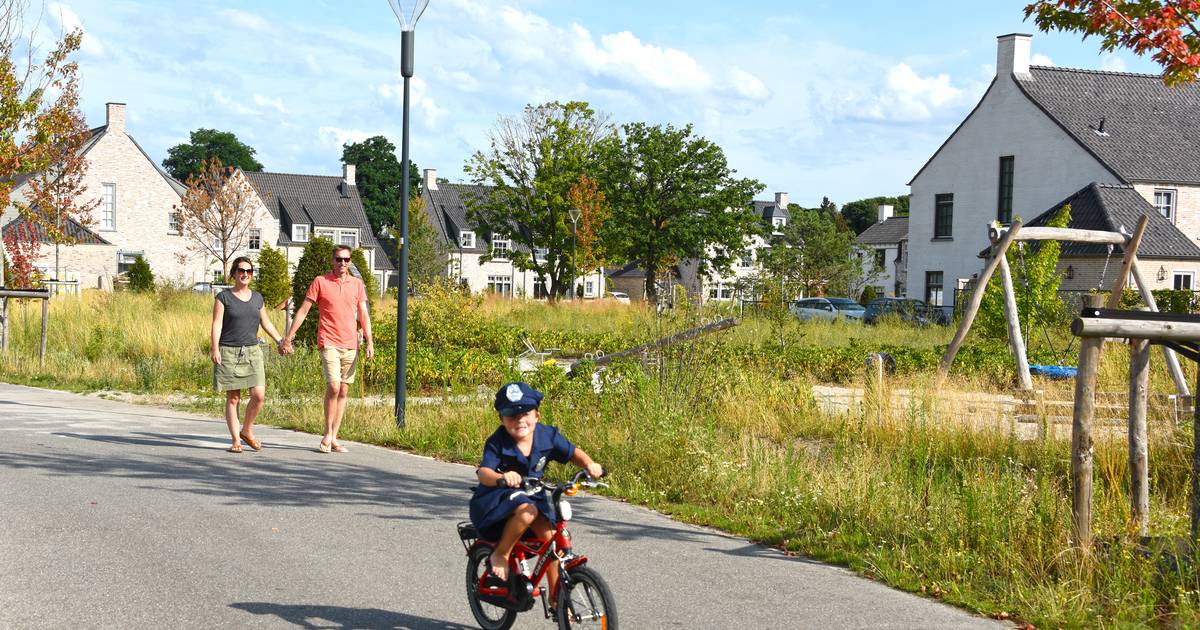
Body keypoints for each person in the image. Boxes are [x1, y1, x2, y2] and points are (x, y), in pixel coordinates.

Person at [469, 382, 604, 596]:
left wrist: (589, 464)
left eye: (525, 413)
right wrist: (501, 477)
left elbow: (572, 452)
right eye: (511, 415)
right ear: (502, 420)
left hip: (534, 496)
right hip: (496, 501)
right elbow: (483, 472)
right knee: (528, 510)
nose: (519, 420)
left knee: (551, 539)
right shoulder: (497, 442)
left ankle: (556, 598)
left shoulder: (547, 436)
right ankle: (501, 554)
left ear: (537, 416)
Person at [281, 244, 374, 453]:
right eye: (339, 259)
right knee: (333, 386)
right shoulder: (320, 282)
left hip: (350, 344)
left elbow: (364, 314)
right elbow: (303, 310)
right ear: (332, 261)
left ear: (350, 262)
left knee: (343, 390)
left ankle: (333, 437)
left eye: (346, 260)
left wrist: (369, 341)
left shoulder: (357, 285)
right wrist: (289, 336)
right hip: (328, 340)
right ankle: (326, 433)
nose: (342, 263)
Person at [210, 256, 286, 453]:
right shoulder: (223, 298)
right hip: (229, 351)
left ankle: (247, 430)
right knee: (233, 398)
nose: (245, 274)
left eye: (249, 271)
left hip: (252, 351)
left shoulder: (257, 298)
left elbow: (266, 323)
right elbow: (217, 324)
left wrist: (280, 340)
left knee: (258, 395)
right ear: (234, 273)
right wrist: (215, 348)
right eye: (241, 271)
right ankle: (236, 440)